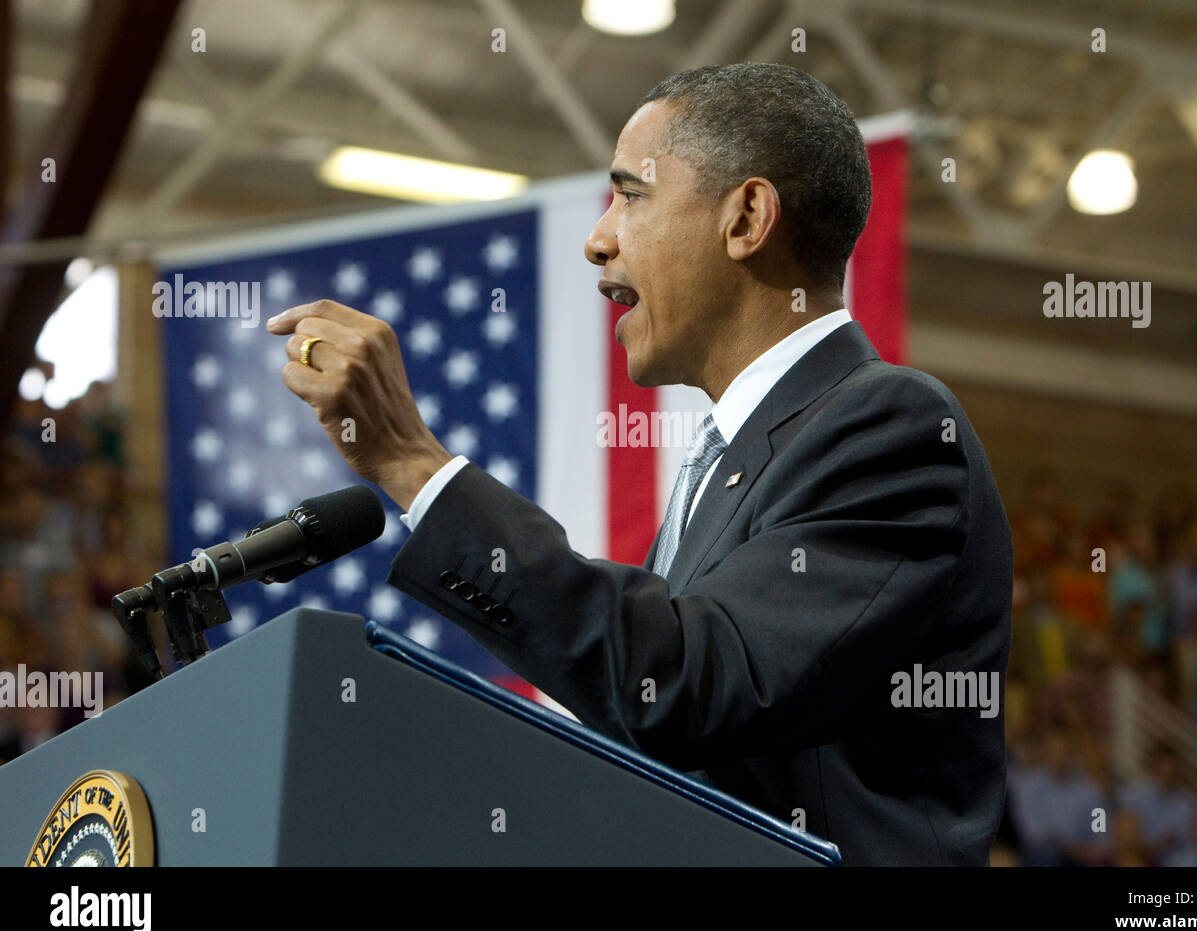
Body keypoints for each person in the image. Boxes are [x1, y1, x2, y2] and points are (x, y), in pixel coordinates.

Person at [266, 63, 1014, 865]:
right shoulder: (731, 462)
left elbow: (682, 687)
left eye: (631, 194)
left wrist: (415, 463)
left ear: (747, 218)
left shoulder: (890, 428)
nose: (599, 237)